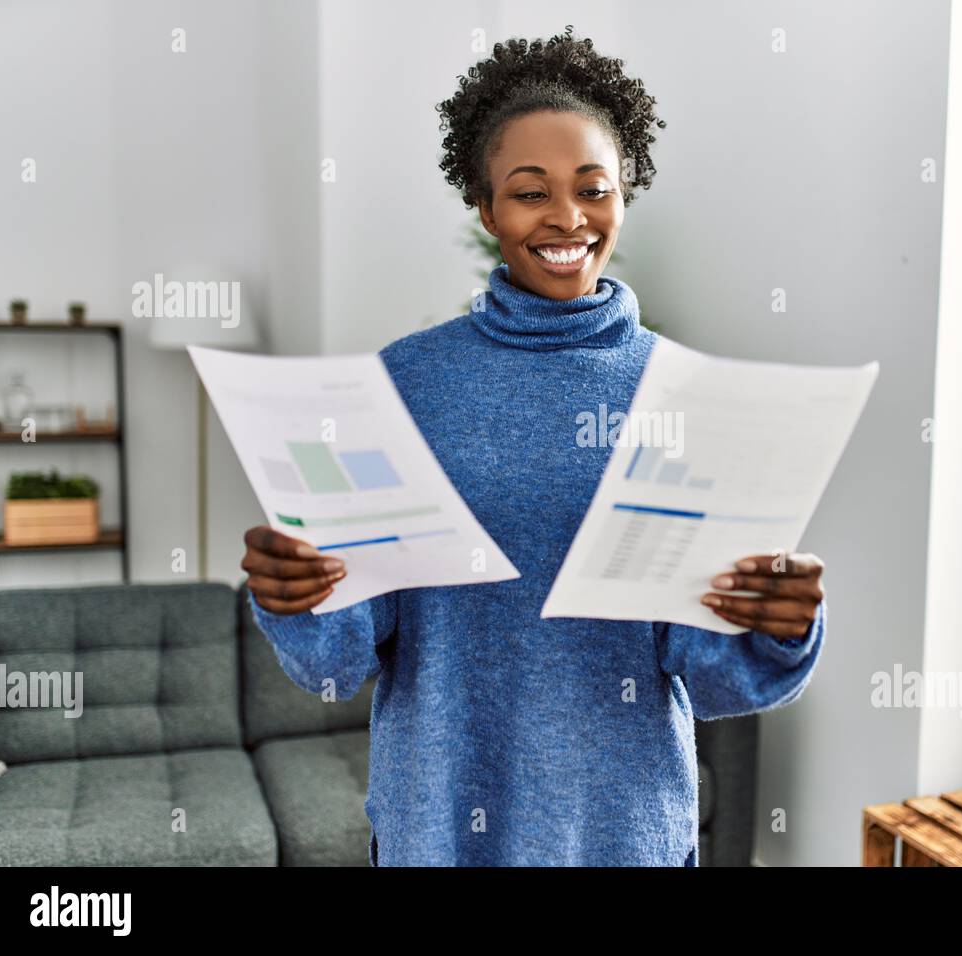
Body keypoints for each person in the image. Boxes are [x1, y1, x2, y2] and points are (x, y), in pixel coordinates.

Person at [242, 25, 828, 866]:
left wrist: (776, 627)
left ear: (625, 196)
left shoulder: (682, 393)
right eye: (529, 192)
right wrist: (296, 597)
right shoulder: (404, 384)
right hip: (439, 827)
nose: (568, 218)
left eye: (595, 189)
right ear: (485, 208)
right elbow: (339, 660)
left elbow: (709, 673)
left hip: (622, 832)